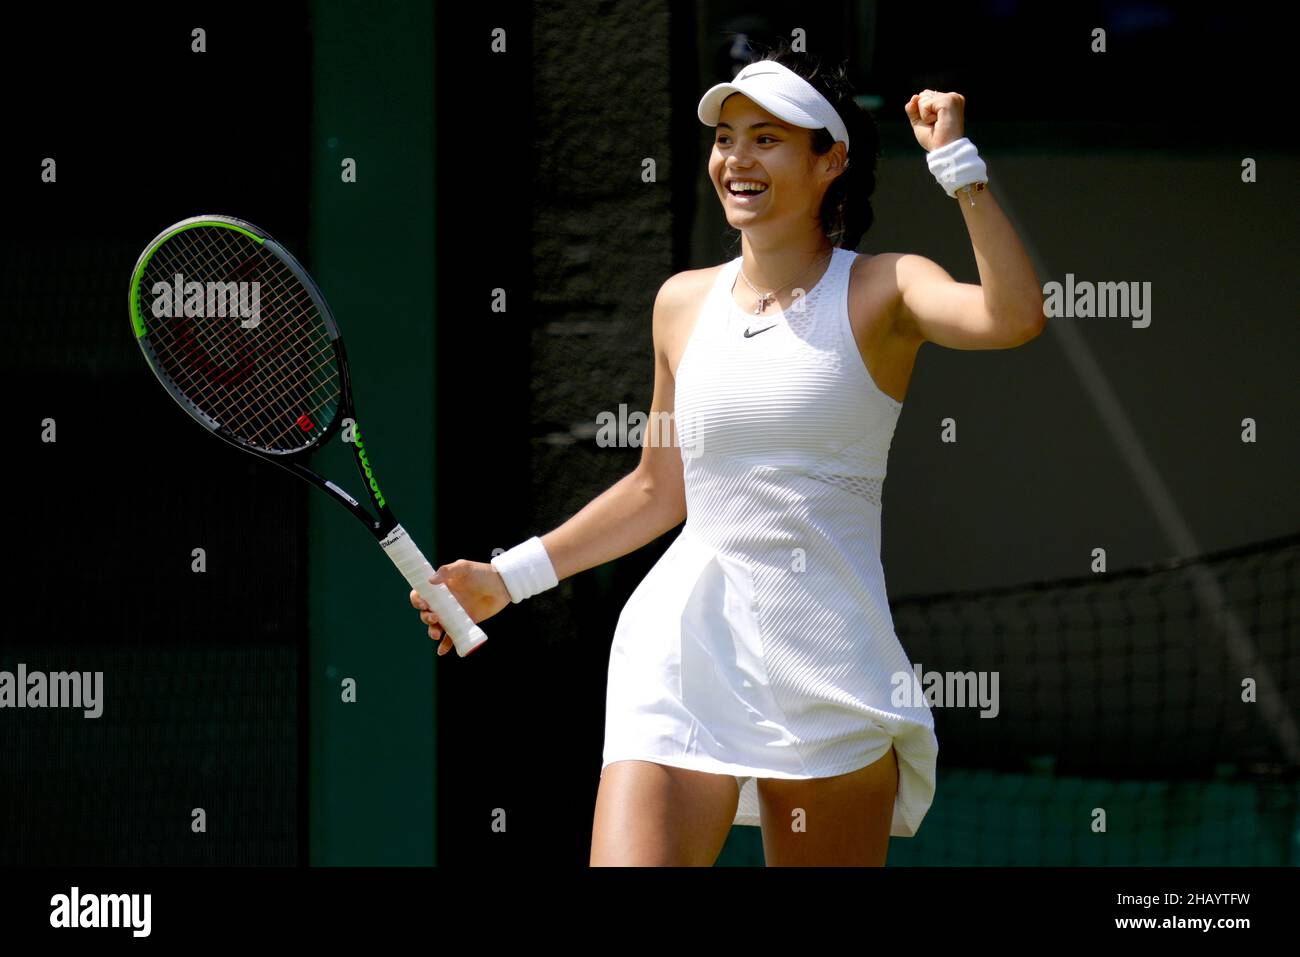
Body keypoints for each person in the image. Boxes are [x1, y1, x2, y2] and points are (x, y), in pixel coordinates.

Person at [410, 43, 1044, 866]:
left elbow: (1013, 316)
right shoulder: (679, 302)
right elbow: (656, 487)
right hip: (680, 648)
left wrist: (959, 167)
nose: (736, 158)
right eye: (726, 137)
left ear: (831, 161)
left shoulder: (888, 287)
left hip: (826, 660)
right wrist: (508, 577)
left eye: (767, 138)